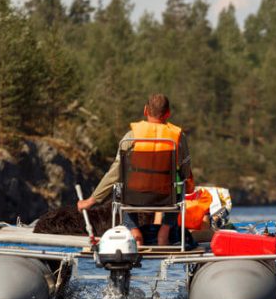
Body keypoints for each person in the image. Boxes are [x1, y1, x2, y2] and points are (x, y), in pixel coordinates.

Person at [77, 94, 194, 246]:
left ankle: (134, 232)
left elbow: (115, 172)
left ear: (145, 110)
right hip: (166, 198)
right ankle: (164, 231)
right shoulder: (177, 137)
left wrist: (91, 200)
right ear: (168, 113)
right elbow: (185, 171)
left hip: (134, 198)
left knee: (121, 189)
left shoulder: (131, 137)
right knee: (178, 189)